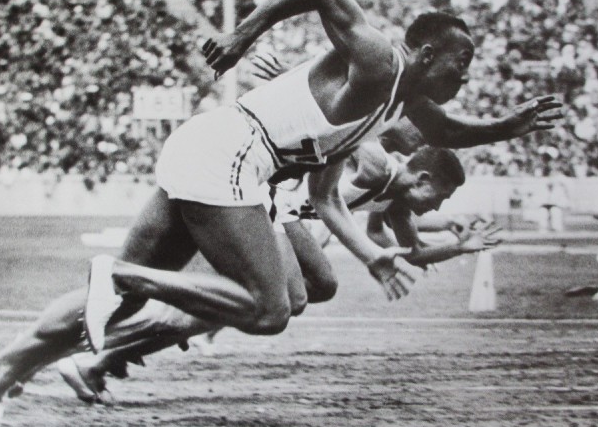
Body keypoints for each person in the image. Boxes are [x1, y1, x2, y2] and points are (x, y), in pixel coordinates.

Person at [0, 0, 561, 427]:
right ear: (428, 55)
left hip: (217, 151)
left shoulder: (392, 105)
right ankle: (121, 275)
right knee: (268, 308)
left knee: (113, 308)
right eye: (463, 63)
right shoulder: (380, 63)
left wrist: (507, 127)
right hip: (233, 155)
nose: (467, 76)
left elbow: (385, 167)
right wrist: (241, 35)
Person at [57, 145, 502, 403]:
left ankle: (100, 358)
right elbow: (345, 145)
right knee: (290, 295)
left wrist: (458, 245)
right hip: (265, 207)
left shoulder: (398, 197)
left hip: (287, 219)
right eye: (440, 199)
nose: (439, 207)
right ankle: (93, 355)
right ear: (422, 177)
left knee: (234, 308)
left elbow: (408, 252)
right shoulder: (379, 165)